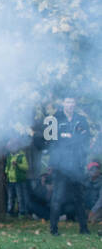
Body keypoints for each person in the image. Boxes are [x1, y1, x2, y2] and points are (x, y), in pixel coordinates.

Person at [48, 97, 95, 235]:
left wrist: (67, 138)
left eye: (72, 102)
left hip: (77, 164)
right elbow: (49, 141)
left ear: (75, 104)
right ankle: (53, 229)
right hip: (60, 165)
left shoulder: (81, 119)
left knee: (79, 198)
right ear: (63, 103)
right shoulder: (53, 119)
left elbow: (86, 139)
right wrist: (72, 138)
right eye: (67, 102)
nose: (70, 105)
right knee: (58, 197)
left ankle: (84, 228)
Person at [4, 139, 31, 218]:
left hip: (19, 180)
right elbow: (7, 166)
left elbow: (26, 167)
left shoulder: (21, 156)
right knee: (10, 197)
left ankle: (22, 212)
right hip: (10, 180)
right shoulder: (9, 156)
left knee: (20, 197)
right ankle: (10, 211)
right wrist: (6, 173)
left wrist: (18, 165)